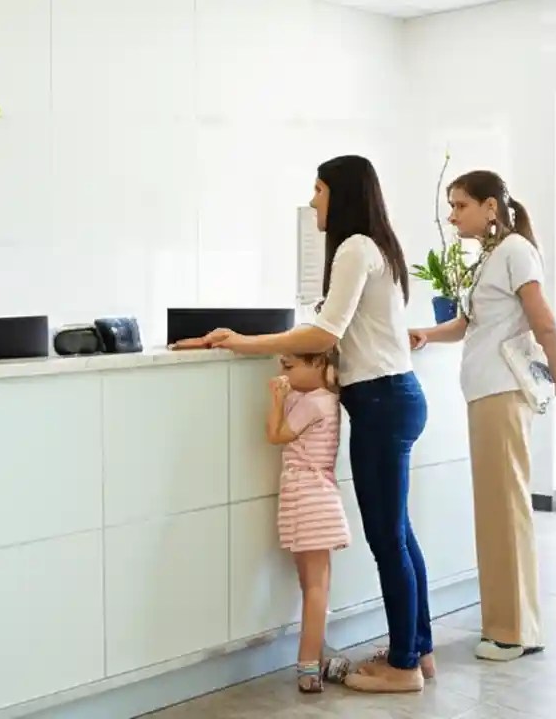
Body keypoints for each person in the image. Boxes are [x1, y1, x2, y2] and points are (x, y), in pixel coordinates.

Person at [174, 155, 434, 693]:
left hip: (383, 401)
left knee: (388, 539)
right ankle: (419, 650)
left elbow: (323, 333)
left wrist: (245, 342)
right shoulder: (376, 247)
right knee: (400, 535)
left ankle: (404, 667)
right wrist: (227, 338)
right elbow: (333, 332)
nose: (313, 200)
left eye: (318, 190)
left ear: (341, 194)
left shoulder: (354, 247)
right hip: (395, 397)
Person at [407, 170, 556, 662]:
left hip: (502, 392)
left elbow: (541, 316)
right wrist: (425, 332)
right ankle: (512, 625)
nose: (451, 215)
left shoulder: (514, 252)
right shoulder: (492, 257)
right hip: (486, 392)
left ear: (490, 207)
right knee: (496, 511)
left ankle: (512, 633)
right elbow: (470, 324)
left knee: (504, 511)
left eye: (459, 205)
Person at [267, 351, 351, 693]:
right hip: (319, 493)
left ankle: (307, 667)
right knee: (317, 584)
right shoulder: (327, 398)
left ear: (317, 364)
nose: (283, 372)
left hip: (307, 494)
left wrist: (276, 397)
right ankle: (315, 657)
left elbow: (275, 434)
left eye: (289, 366)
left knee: (313, 585)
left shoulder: (312, 403)